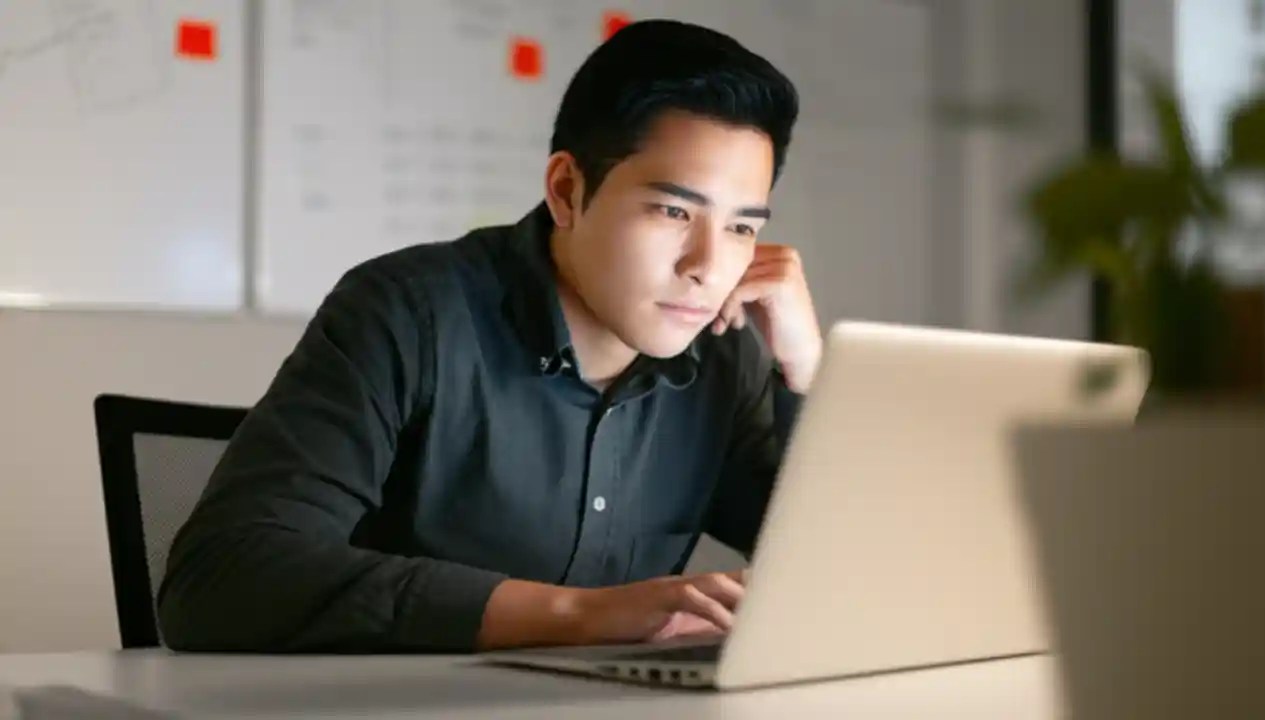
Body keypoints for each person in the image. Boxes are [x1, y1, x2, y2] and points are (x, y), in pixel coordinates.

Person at [158, 18, 822, 653]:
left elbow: (840, 574)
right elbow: (221, 578)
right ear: (566, 190)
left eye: (742, 227)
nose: (708, 266)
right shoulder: (410, 312)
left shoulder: (722, 352)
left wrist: (811, 376)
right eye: (674, 211)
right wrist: (578, 615)